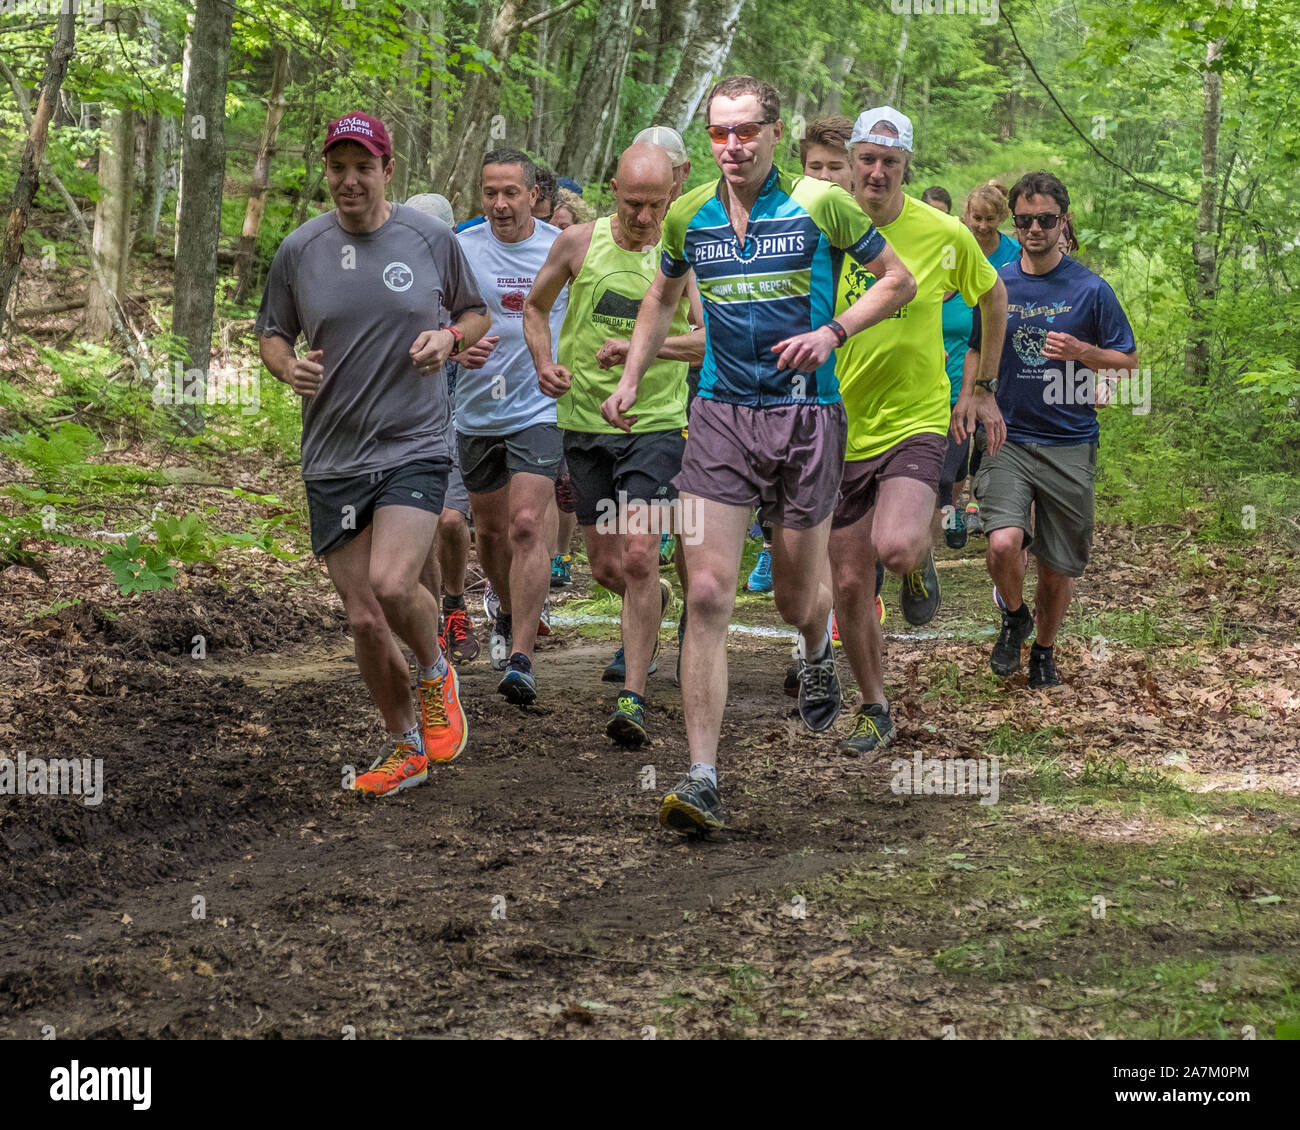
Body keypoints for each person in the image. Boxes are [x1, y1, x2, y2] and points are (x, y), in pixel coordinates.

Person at [604, 76, 915, 833]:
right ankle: (704, 774)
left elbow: (898, 282)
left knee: (792, 597)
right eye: (719, 133)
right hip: (718, 418)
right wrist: (636, 375)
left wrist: (833, 333)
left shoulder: (821, 202)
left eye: (746, 131)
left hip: (807, 419)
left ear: (774, 133)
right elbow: (659, 297)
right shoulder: (688, 215)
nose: (733, 147)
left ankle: (815, 646)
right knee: (708, 593)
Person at [256, 113, 489, 795]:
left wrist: (449, 339)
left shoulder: (430, 238)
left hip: (412, 443)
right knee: (362, 615)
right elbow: (272, 332)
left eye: (364, 167)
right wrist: (286, 366)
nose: (350, 180)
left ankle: (434, 671)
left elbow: (476, 314)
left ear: (389, 171)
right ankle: (403, 747)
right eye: (339, 167)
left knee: (393, 585)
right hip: (333, 454)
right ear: (326, 171)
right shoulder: (300, 249)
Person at [826, 107, 1007, 757]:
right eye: (866, 160)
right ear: (851, 161)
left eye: (890, 163)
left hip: (917, 417)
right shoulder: (821, 224)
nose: (876, 173)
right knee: (848, 585)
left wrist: (980, 388)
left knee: (896, 548)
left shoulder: (943, 232)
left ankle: (921, 558)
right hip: (838, 422)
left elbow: (992, 297)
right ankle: (875, 707)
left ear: (906, 167)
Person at [525, 143, 705, 746]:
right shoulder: (578, 243)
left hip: (655, 425)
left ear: (671, 197)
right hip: (585, 425)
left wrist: (643, 350)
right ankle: (656, 607)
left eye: (657, 205)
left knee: (637, 555)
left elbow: (705, 342)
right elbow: (534, 306)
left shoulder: (685, 253)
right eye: (634, 204)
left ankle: (633, 696)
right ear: (613, 191)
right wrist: (544, 361)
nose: (645, 218)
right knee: (606, 565)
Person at [958, 171, 1137, 686]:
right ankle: (1015, 617)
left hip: (1069, 440)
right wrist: (969, 398)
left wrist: (1084, 353)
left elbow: (1127, 362)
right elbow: (975, 347)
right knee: (1001, 543)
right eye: (1025, 220)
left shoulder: (1090, 289)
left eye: (1045, 220)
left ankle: (1043, 648)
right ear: (1015, 223)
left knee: (1058, 567)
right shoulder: (996, 283)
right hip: (1006, 434)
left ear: (1064, 221)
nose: (1035, 228)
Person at [454, 148, 568, 705]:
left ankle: (522, 655)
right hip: (475, 411)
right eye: (490, 193)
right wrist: (456, 351)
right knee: (492, 533)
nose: (499, 204)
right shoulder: (461, 245)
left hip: (538, 408)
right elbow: (435, 316)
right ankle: (505, 608)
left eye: (510, 193)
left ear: (532, 195)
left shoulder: (559, 246)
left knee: (526, 524)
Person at [405, 192, 481, 664]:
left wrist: (464, 345)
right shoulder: (389, 273)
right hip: (406, 420)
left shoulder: (464, 274)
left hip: (459, 415)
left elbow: (487, 325)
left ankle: (455, 604)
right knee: (420, 524)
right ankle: (431, 623)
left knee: (451, 520)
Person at [939, 181, 1021, 549]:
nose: (983, 225)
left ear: (1001, 218)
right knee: (949, 460)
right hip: (951, 365)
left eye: (990, 219)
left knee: (989, 445)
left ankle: (979, 507)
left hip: (999, 366)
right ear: (965, 216)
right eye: (976, 218)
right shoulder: (952, 249)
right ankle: (949, 511)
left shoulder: (1013, 253)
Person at [633, 125, 691, 198]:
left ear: (685, 170)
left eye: (665, 169)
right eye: (646, 170)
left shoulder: (699, 208)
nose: (656, 180)